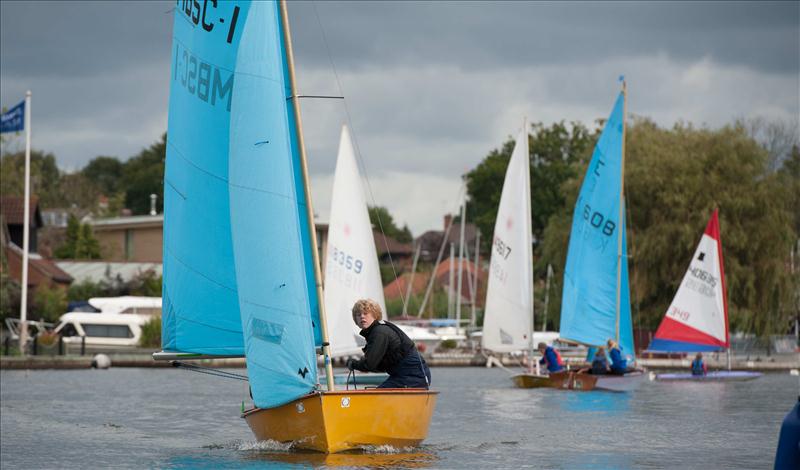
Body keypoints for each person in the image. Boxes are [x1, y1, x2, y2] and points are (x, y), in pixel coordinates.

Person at [345, 299, 431, 389]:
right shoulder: (375, 332)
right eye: (358, 315)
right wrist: (359, 364)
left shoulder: (379, 333)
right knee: (376, 394)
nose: (362, 316)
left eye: (365, 313)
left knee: (376, 396)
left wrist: (353, 364)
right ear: (355, 320)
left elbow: (369, 364)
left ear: (374, 315)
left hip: (414, 376)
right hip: (405, 375)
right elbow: (377, 366)